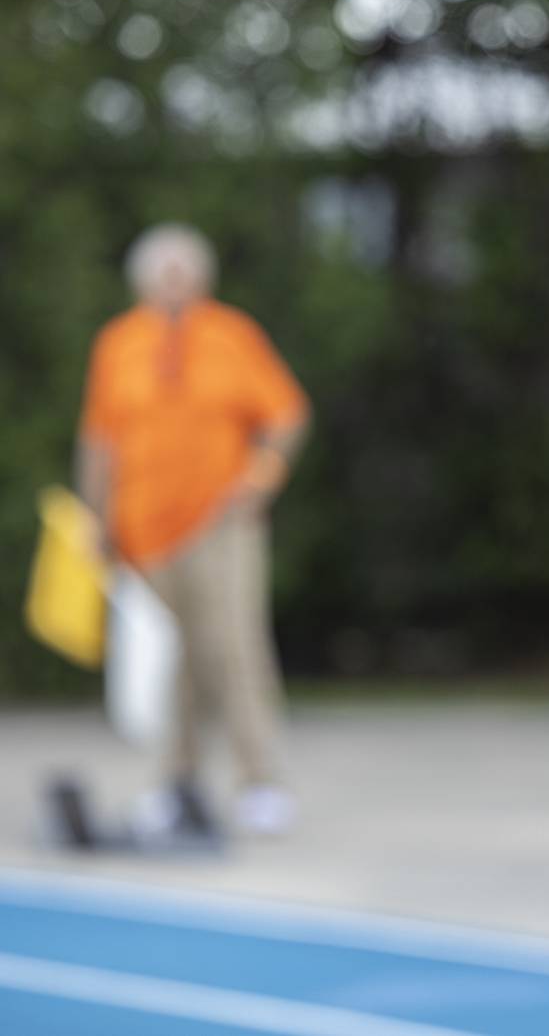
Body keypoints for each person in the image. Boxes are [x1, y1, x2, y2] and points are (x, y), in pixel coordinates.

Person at [76, 223, 309, 838]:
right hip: (143, 530)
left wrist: (260, 479)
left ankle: (260, 781)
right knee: (167, 662)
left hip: (220, 524)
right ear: (143, 279)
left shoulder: (232, 335)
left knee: (234, 648)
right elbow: (100, 439)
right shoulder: (118, 343)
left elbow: (286, 414)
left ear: (202, 278)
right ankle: (177, 784)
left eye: (184, 271)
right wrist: (94, 517)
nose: (174, 282)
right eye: (164, 271)